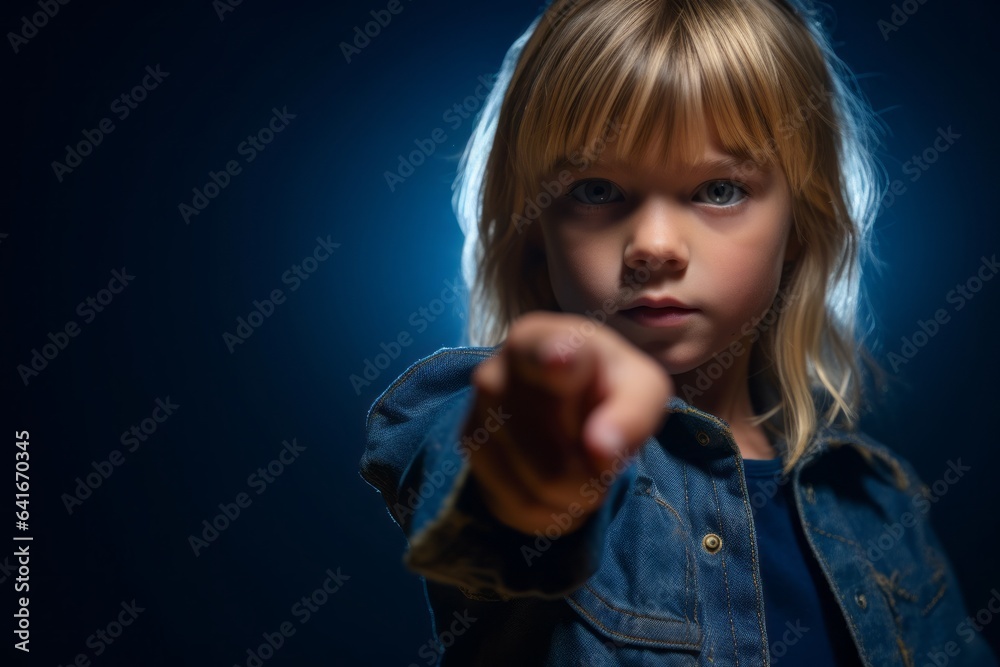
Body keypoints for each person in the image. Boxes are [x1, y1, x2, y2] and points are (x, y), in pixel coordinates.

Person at [360, 0, 999, 664]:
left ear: (801, 225)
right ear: (534, 232)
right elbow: (476, 490)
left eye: (719, 189)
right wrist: (534, 462)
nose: (654, 245)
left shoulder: (878, 502)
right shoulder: (479, 409)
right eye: (598, 190)